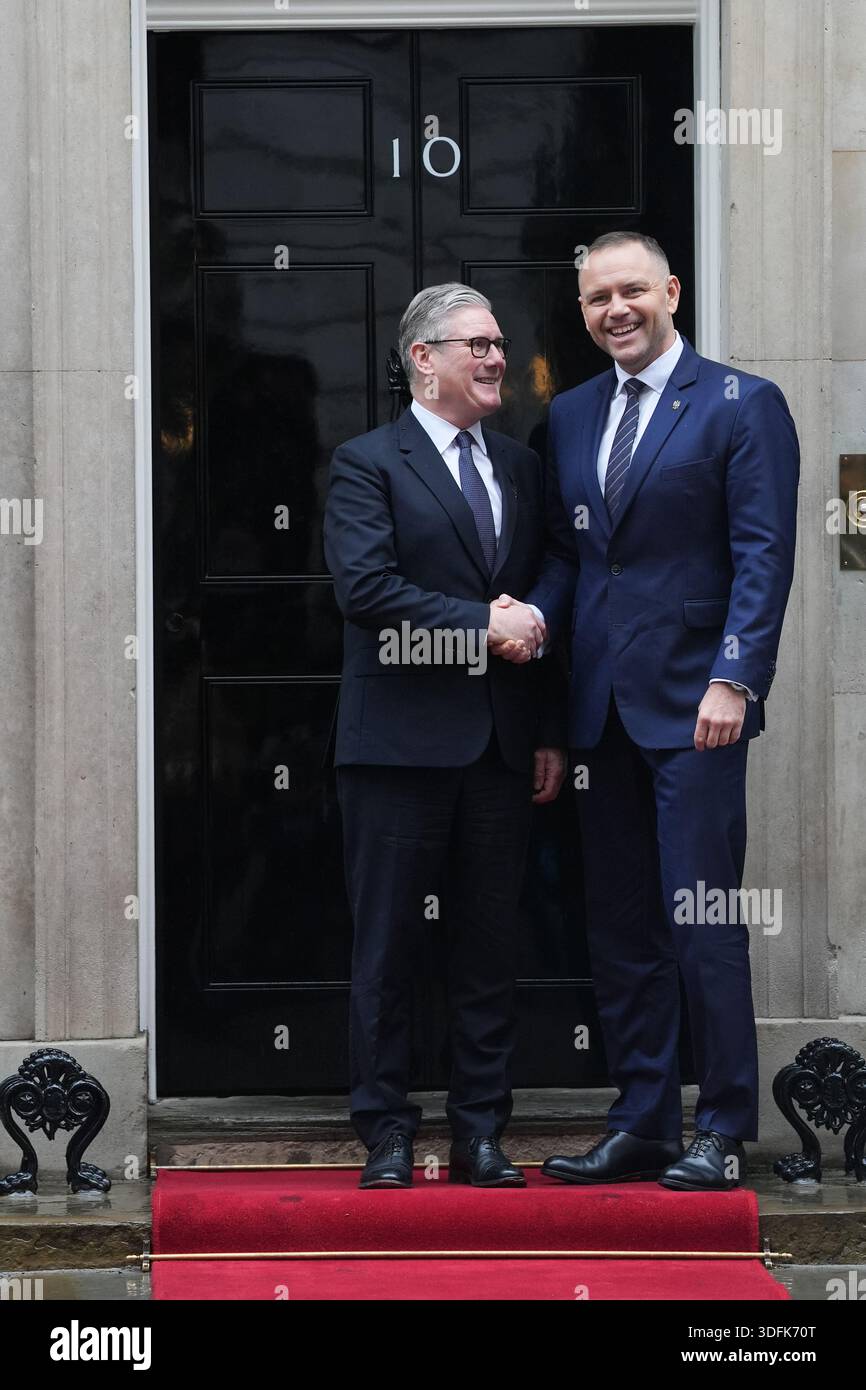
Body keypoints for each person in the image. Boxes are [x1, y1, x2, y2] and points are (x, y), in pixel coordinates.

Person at [502, 232, 799, 1191]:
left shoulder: (742, 404)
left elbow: (762, 555)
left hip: (696, 709)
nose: (615, 310)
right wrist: (541, 668)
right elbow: (571, 562)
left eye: (632, 290)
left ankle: (720, 1125)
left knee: (702, 919)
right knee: (620, 925)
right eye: (597, 298)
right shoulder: (574, 414)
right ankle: (642, 1121)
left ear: (672, 291)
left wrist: (736, 678)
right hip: (597, 717)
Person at [324, 283, 566, 1189]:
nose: (498, 356)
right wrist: (483, 624)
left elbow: (538, 589)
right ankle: (386, 1131)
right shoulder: (366, 463)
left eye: (501, 341)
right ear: (422, 359)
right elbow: (366, 592)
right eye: (478, 344)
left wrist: (545, 729)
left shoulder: (519, 466)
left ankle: (479, 1133)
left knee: (489, 947)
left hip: (501, 749)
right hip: (395, 747)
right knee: (385, 949)